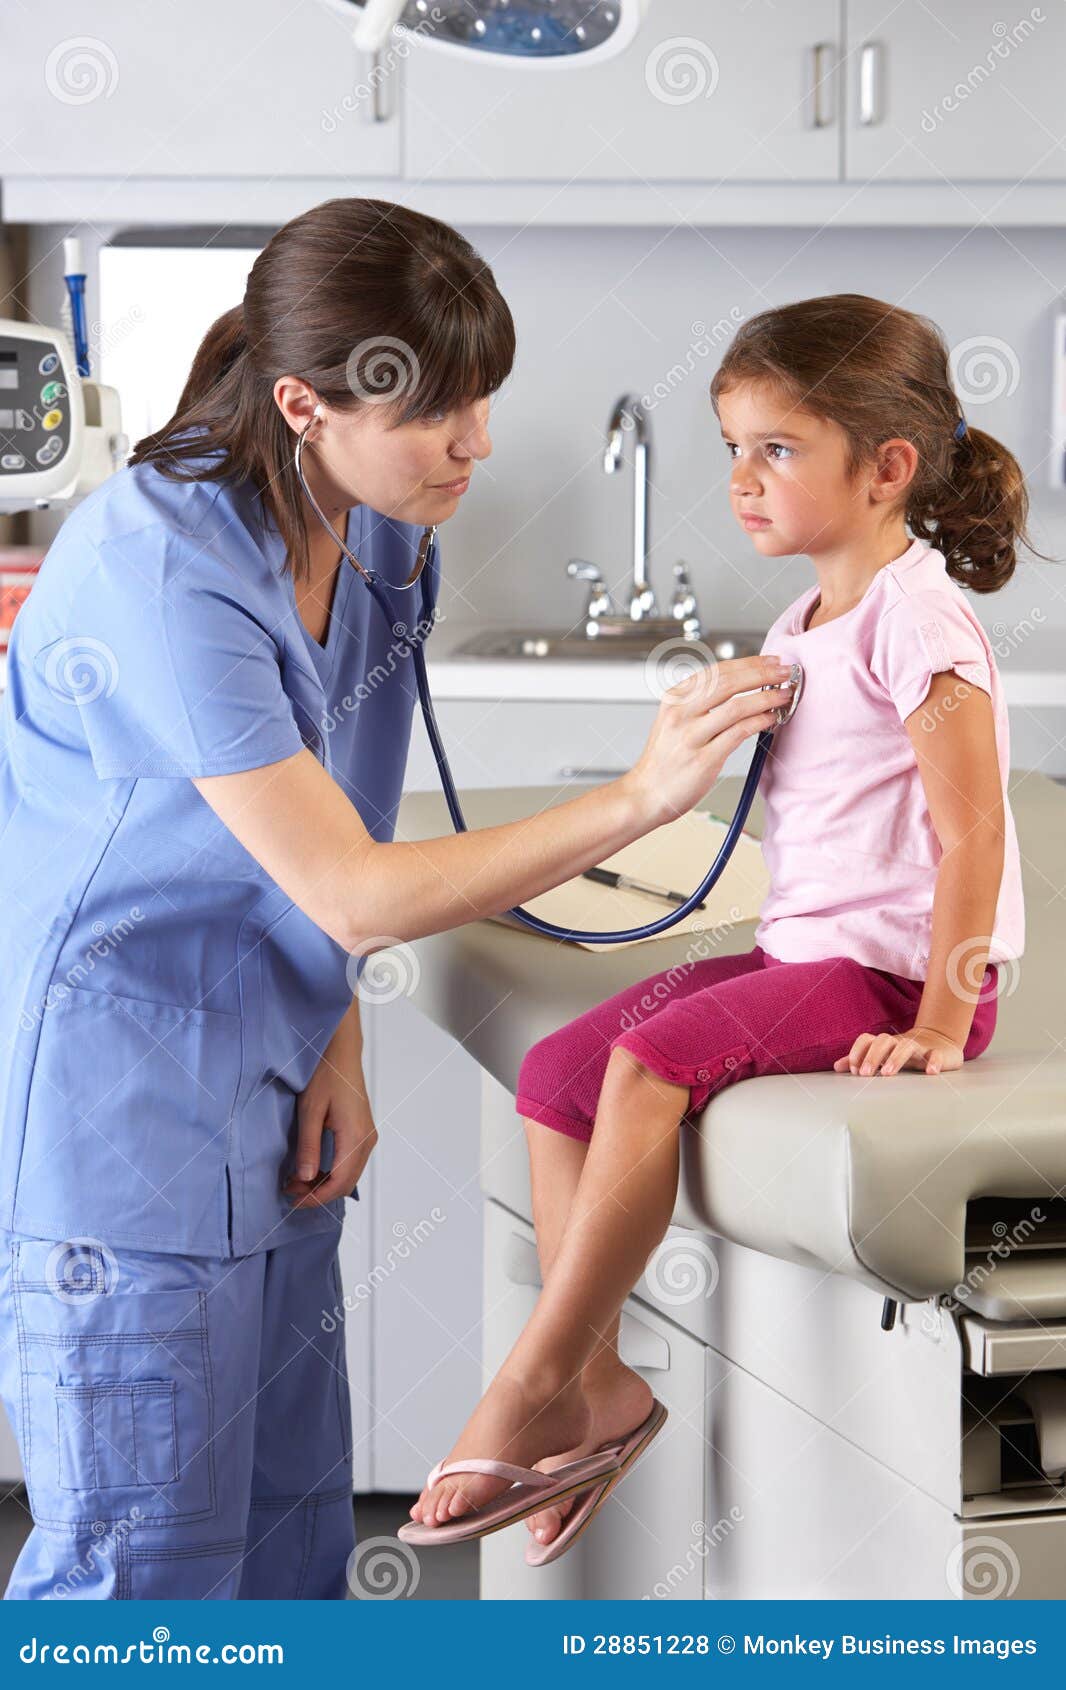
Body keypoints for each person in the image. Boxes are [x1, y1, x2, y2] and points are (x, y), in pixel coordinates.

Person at [0, 196, 791, 1599]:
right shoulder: (156, 560)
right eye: (440, 414)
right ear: (303, 401)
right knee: (144, 1570)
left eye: (481, 401)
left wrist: (335, 1042)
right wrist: (639, 794)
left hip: (269, 1082)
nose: (476, 446)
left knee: (291, 1543)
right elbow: (354, 887)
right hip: (113, 1114)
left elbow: (337, 805)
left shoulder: (374, 522)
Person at [404, 292, 1032, 1560]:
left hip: (888, 973)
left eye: (778, 450)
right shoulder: (805, 621)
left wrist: (943, 1023)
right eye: (734, 448)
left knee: (644, 1071)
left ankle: (533, 1379)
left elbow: (975, 835)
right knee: (553, 1072)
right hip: (812, 952)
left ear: (887, 469)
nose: (741, 481)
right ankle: (601, 1386)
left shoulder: (917, 618)